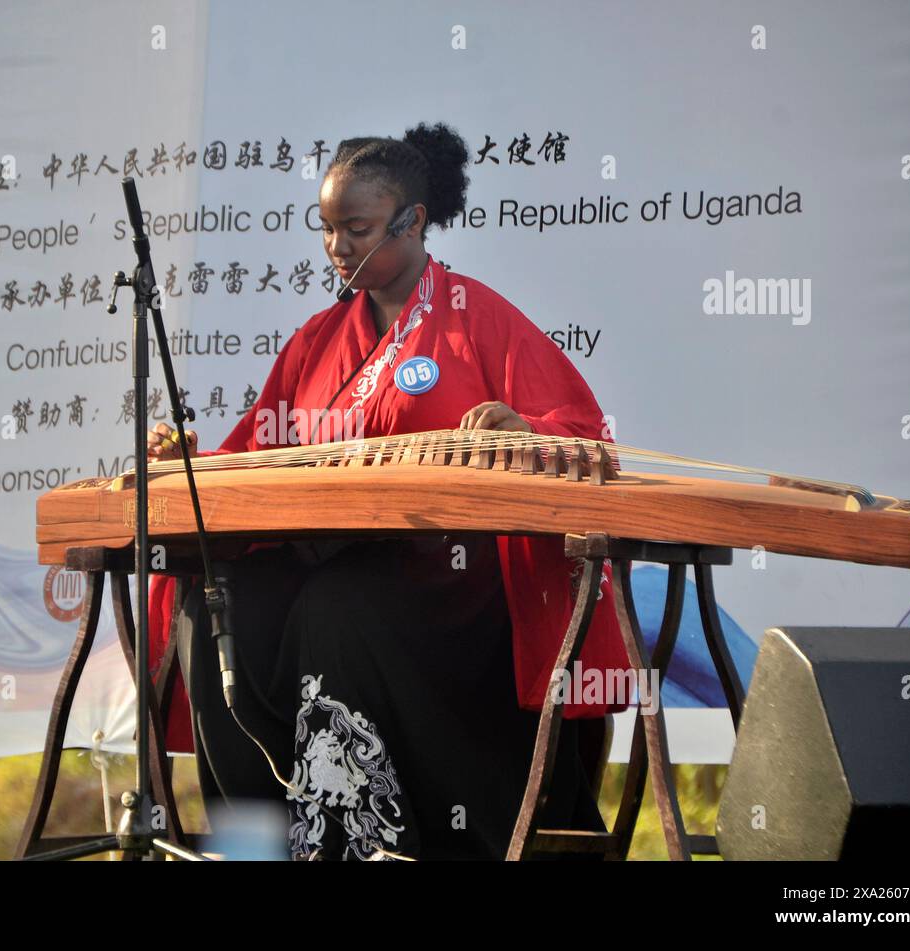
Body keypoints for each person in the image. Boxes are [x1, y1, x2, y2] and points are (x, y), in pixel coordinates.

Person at [145, 122, 631, 860]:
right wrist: (193, 461)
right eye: (328, 229)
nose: (338, 247)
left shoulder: (478, 319)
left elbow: (581, 432)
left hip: (451, 585)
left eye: (358, 228)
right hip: (332, 560)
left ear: (415, 222)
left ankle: (366, 836)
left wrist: (521, 426)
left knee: (336, 607)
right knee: (218, 597)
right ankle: (260, 837)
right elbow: (255, 456)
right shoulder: (317, 339)